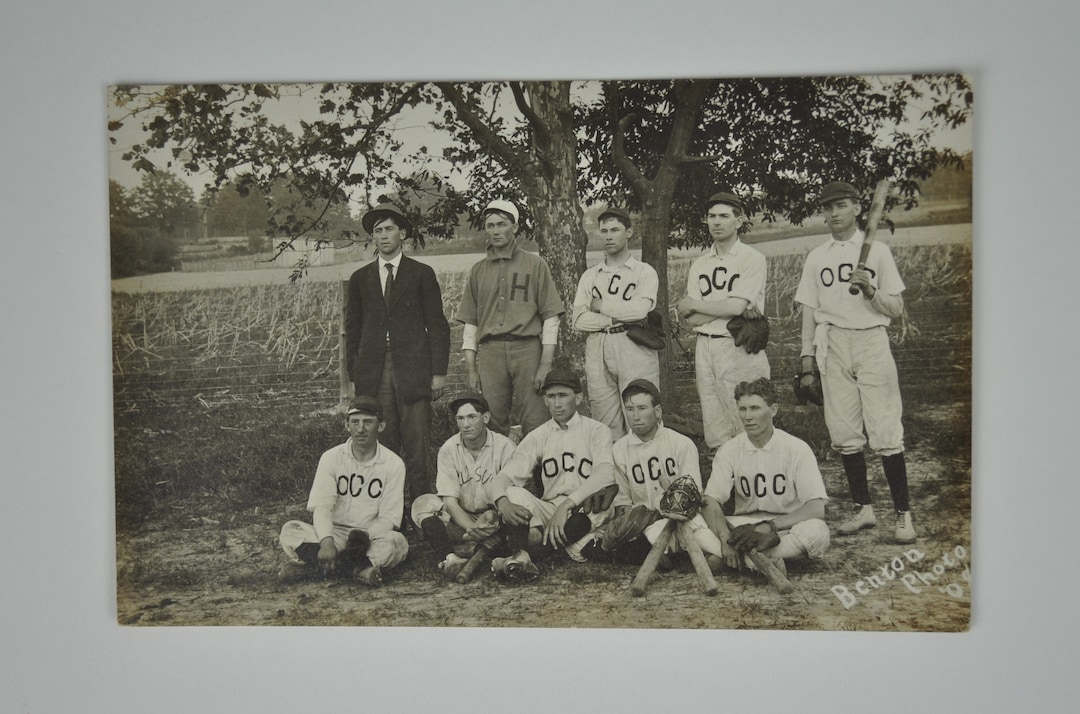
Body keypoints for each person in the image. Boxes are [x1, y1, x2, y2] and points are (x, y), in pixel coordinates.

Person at [793, 181, 916, 544]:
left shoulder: (877, 252)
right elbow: (809, 312)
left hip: (870, 340)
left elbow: (896, 307)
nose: (834, 213)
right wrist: (806, 359)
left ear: (856, 208)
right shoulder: (817, 256)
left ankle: (903, 514)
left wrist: (871, 290)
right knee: (844, 432)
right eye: (828, 207)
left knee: (885, 428)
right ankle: (863, 509)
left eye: (841, 206)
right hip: (832, 341)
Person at [344, 203, 451, 510]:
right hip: (374, 372)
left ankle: (421, 513)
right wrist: (355, 377)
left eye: (389, 229)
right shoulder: (360, 278)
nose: (383, 236)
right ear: (373, 238)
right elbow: (353, 330)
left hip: (414, 369)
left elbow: (438, 326)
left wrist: (438, 373)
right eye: (377, 231)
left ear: (402, 234)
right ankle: (389, 514)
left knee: (417, 445)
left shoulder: (421, 274)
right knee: (384, 445)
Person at [486, 368, 616, 580]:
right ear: (545, 400)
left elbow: (605, 474)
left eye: (563, 395)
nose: (557, 403)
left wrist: (567, 505)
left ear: (579, 397)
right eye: (551, 397)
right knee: (512, 493)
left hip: (585, 505)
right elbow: (504, 477)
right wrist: (503, 503)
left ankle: (529, 555)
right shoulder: (538, 435)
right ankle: (524, 555)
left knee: (600, 507)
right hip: (551, 508)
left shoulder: (597, 430)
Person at [455, 199, 565, 437]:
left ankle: (537, 473)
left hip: (527, 349)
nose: (495, 231)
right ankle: (501, 472)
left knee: (535, 417)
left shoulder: (535, 264)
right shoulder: (478, 270)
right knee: (492, 418)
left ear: (514, 227)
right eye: (490, 225)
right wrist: (471, 368)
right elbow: (471, 324)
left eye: (501, 224)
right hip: (491, 351)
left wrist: (545, 364)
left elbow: (551, 316)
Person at [700, 378, 830, 576]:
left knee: (818, 531)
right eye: (742, 409)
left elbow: (816, 508)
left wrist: (768, 527)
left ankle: (739, 558)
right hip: (742, 528)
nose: (748, 416)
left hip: (783, 526)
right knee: (694, 521)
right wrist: (726, 537)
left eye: (755, 408)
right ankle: (762, 558)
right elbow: (711, 499)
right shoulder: (729, 450)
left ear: (773, 410)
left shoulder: (796, 449)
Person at [576, 378, 714, 565]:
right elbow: (623, 503)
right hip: (646, 524)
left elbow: (693, 495)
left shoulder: (681, 444)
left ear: (657, 411)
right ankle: (667, 555)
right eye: (630, 410)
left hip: (685, 517)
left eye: (642, 408)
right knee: (647, 536)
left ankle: (720, 555)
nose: (635, 416)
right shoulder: (619, 450)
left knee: (700, 532)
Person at [277, 396, 409, 586]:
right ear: (347, 425)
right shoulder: (331, 457)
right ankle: (357, 570)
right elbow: (322, 507)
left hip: (369, 538)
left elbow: (389, 519)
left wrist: (361, 541)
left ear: (381, 426)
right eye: (355, 422)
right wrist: (326, 541)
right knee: (291, 530)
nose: (361, 429)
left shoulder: (393, 463)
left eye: (368, 422)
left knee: (397, 543)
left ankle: (311, 570)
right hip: (336, 533)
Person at [676, 191, 770, 452]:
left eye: (724, 216)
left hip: (738, 344)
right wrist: (730, 308)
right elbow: (692, 318)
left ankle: (755, 488)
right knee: (715, 426)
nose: (717, 222)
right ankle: (728, 490)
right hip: (705, 346)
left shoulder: (751, 258)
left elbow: (735, 306)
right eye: (712, 216)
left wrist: (702, 305)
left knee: (747, 420)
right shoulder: (700, 264)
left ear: (738, 221)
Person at [571, 207, 661, 439]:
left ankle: (647, 470)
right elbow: (578, 320)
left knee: (640, 413)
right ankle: (615, 473)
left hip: (632, 343)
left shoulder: (643, 272)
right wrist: (613, 317)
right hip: (598, 345)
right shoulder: (590, 276)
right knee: (605, 419)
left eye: (615, 230)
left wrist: (601, 306)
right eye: (604, 231)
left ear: (628, 232)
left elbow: (640, 310)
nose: (609, 236)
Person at [409, 392, 516, 579]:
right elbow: (449, 502)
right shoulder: (448, 449)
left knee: (515, 508)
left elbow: (510, 495)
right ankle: (451, 557)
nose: (465, 425)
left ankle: (474, 547)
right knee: (422, 504)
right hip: (461, 519)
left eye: (472, 417)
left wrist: (489, 522)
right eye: (460, 418)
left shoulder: (505, 446)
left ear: (485, 418)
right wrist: (471, 529)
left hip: (494, 518)